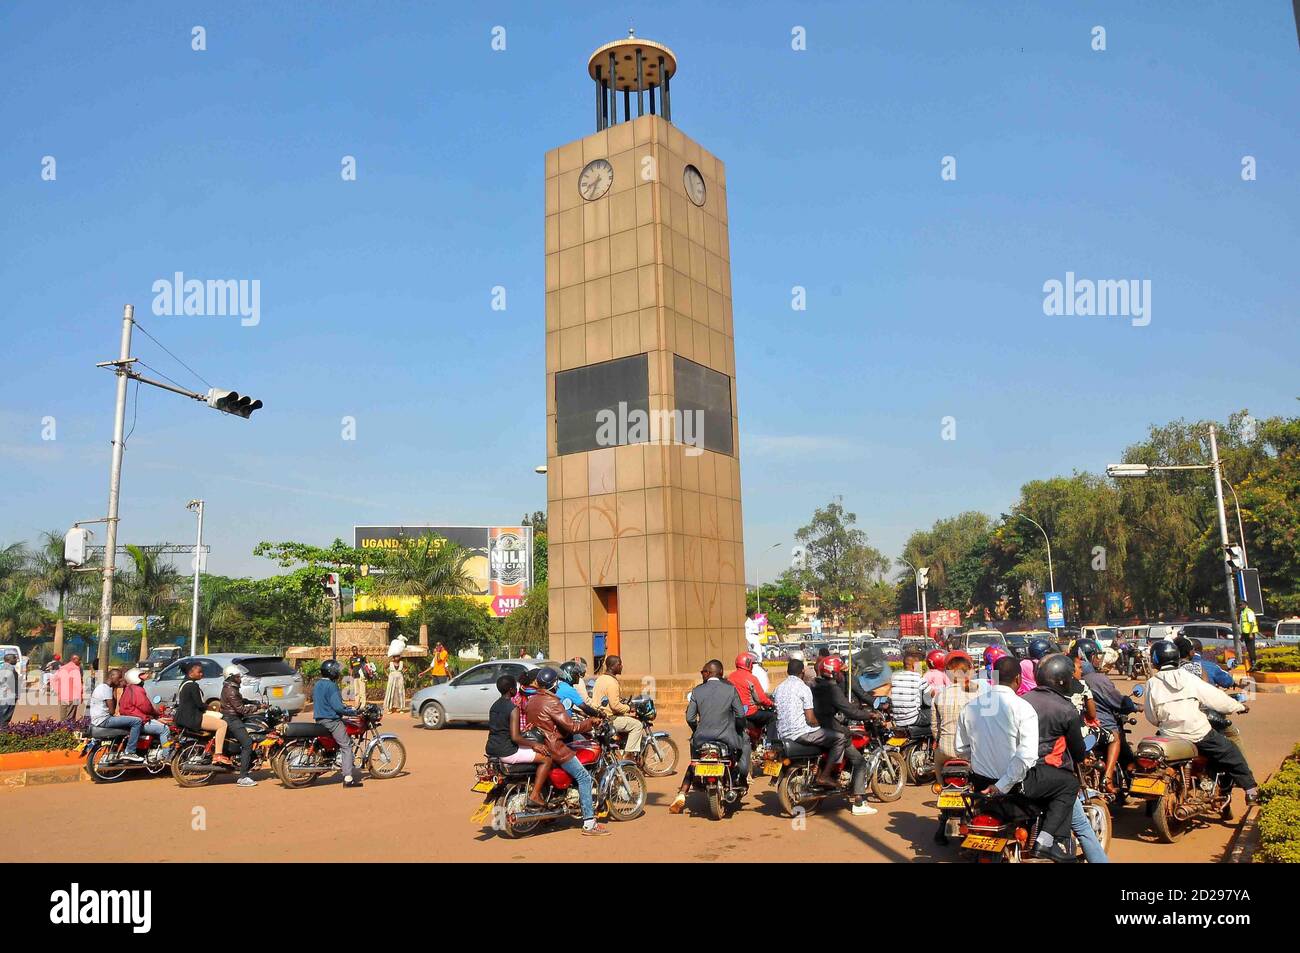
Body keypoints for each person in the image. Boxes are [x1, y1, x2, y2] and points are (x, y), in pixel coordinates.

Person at [956, 656, 1078, 863]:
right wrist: (1002, 784)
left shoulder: (970, 707)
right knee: (1069, 783)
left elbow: (961, 749)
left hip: (981, 783)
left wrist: (983, 760)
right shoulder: (1022, 708)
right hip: (1014, 786)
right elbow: (1027, 756)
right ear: (1018, 679)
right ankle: (1046, 842)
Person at [1144, 639, 1258, 807]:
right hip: (1199, 734)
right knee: (1231, 753)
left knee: (1155, 759)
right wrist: (1238, 706)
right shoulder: (1188, 677)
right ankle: (1251, 792)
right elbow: (1216, 698)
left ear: (1155, 660)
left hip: (1169, 736)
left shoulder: (1151, 683)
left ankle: (1154, 800)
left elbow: (1151, 716)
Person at [1025, 654, 1108, 863]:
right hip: (1054, 776)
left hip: (1020, 775)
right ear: (1063, 680)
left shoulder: (1022, 701)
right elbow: (1078, 751)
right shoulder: (1065, 708)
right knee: (1082, 827)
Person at [525, 667, 608, 835]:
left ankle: (550, 814)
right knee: (584, 777)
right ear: (553, 684)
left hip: (538, 744)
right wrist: (591, 722)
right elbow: (572, 727)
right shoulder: (553, 702)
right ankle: (590, 824)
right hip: (555, 747)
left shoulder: (532, 700)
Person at [669, 659, 747, 814]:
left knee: (694, 762)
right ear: (721, 673)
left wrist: (697, 730)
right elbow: (740, 715)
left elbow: (690, 718)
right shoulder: (730, 690)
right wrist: (738, 729)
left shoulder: (697, 691)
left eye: (704, 672)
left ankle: (682, 794)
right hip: (726, 738)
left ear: (710, 673)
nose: (702, 674)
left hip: (701, 739)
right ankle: (742, 778)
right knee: (744, 744)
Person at [810, 655, 878, 816]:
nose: (842, 674)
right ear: (834, 673)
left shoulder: (814, 685)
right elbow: (849, 710)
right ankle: (859, 801)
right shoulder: (832, 689)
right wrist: (870, 716)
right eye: (840, 671)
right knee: (859, 761)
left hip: (818, 725)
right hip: (831, 726)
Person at [930, 651, 981, 844]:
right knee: (980, 785)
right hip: (969, 752)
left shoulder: (939, 695)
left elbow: (934, 727)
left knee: (944, 787)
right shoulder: (976, 693)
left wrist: (942, 741)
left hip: (944, 751)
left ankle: (943, 822)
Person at [773, 659, 843, 788]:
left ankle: (818, 768)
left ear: (788, 671)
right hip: (800, 733)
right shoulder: (803, 688)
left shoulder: (778, 688)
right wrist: (820, 724)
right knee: (839, 738)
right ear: (802, 672)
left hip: (782, 733)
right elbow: (810, 719)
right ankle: (825, 776)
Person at [486, 674, 551, 806]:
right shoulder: (512, 708)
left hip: (492, 749)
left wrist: (524, 732)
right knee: (547, 758)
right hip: (507, 751)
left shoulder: (494, 706)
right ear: (511, 690)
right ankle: (535, 795)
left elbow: (503, 730)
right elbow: (515, 738)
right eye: (514, 687)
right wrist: (535, 744)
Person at [173, 660, 233, 766]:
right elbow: (199, 705)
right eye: (199, 672)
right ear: (190, 673)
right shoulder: (192, 685)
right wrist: (212, 708)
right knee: (222, 725)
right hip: (191, 718)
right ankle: (218, 754)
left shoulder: (184, 684)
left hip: (182, 717)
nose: (201, 674)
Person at [314, 659, 361, 788]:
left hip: (320, 719)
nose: (339, 673)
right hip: (331, 721)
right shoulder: (331, 686)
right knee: (346, 746)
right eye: (337, 671)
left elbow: (327, 703)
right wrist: (352, 712)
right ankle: (348, 778)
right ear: (332, 672)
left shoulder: (318, 684)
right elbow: (338, 708)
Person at [589, 655, 643, 760]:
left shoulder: (600, 679)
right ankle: (628, 757)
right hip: (609, 720)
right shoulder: (612, 683)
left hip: (600, 715)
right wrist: (629, 708)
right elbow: (615, 706)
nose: (622, 666)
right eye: (620, 664)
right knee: (637, 725)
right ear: (613, 666)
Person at [216, 665, 261, 787]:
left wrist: (251, 702)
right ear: (232, 677)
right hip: (233, 719)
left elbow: (239, 700)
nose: (240, 678)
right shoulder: (231, 690)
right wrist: (257, 708)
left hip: (231, 718)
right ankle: (243, 777)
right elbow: (241, 709)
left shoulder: (230, 688)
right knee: (247, 744)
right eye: (237, 676)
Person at [88, 668, 144, 762]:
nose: (120, 680)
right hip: (104, 720)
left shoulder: (102, 687)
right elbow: (112, 710)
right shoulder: (105, 689)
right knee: (137, 721)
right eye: (119, 678)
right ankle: (130, 752)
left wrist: (114, 688)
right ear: (112, 676)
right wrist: (115, 689)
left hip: (99, 719)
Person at [117, 668, 171, 753]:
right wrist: (156, 713)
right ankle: (167, 754)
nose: (144, 679)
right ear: (135, 677)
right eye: (141, 676)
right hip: (139, 720)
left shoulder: (127, 689)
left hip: (129, 718)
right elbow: (145, 707)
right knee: (165, 729)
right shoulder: (137, 689)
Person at [727, 652, 775, 743]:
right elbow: (760, 699)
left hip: (734, 713)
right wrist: (771, 704)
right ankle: (770, 745)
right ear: (748, 663)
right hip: (750, 713)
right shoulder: (752, 678)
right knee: (772, 717)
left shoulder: (730, 677)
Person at [889, 648, 932, 729]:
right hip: (913, 719)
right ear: (914, 665)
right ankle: (929, 741)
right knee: (934, 715)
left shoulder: (894, 677)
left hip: (897, 719)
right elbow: (929, 700)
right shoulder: (918, 678)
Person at [55, 654, 83, 721]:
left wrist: (58, 691)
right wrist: (80, 696)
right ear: (74, 660)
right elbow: (78, 684)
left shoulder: (62, 668)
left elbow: (55, 680)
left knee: (63, 715)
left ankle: (62, 730)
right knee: (70, 717)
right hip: (73, 696)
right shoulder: (76, 668)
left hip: (62, 695)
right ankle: (69, 730)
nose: (80, 662)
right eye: (79, 660)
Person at [0, 651, 21, 726]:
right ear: (8, 660)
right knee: (5, 717)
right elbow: (7, 676)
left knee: (2, 715)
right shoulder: (10, 667)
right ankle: (3, 733)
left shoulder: (3, 666)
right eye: (14, 658)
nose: (16, 659)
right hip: (9, 696)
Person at [1240, 603, 1258, 668]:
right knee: (1248, 649)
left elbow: (1252, 624)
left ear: (1245, 605)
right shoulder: (1243, 612)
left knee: (1251, 649)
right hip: (1245, 633)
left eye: (1241, 605)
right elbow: (1243, 625)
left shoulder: (1249, 612)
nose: (1240, 606)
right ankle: (1252, 664)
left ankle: (1254, 663)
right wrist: (1242, 635)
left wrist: (1250, 633)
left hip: (1250, 633)